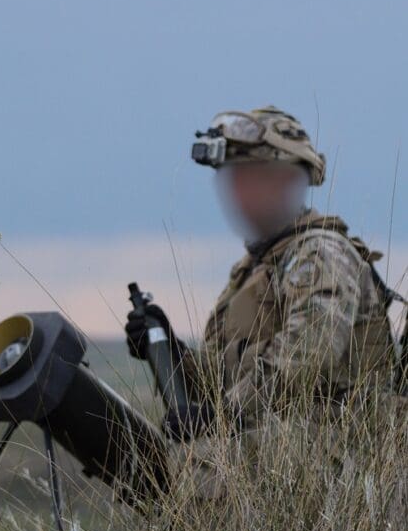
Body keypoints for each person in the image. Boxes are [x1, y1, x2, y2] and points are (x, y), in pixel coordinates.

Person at [125, 106, 398, 498]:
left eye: (248, 179)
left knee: (203, 467)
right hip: (288, 449)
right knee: (139, 457)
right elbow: (228, 380)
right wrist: (171, 352)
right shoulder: (258, 265)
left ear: (285, 181)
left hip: (345, 457)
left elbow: (308, 354)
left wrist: (225, 415)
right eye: (231, 181)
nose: (236, 195)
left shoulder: (320, 253)